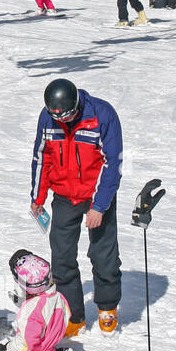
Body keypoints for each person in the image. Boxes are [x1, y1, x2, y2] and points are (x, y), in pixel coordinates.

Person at [30, 78, 124, 336]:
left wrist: (100, 206)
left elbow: (112, 164)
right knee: (61, 257)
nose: (62, 121)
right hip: (64, 194)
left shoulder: (101, 114)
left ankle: (107, 307)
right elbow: (41, 156)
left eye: (67, 116)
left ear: (76, 105)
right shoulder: (49, 117)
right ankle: (73, 315)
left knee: (103, 253)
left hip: (96, 195)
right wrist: (38, 196)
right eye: (57, 117)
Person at [0, 250, 77, 351]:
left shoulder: (31, 309)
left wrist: (6, 350)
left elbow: (25, 344)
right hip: (48, 348)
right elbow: (64, 318)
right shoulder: (59, 297)